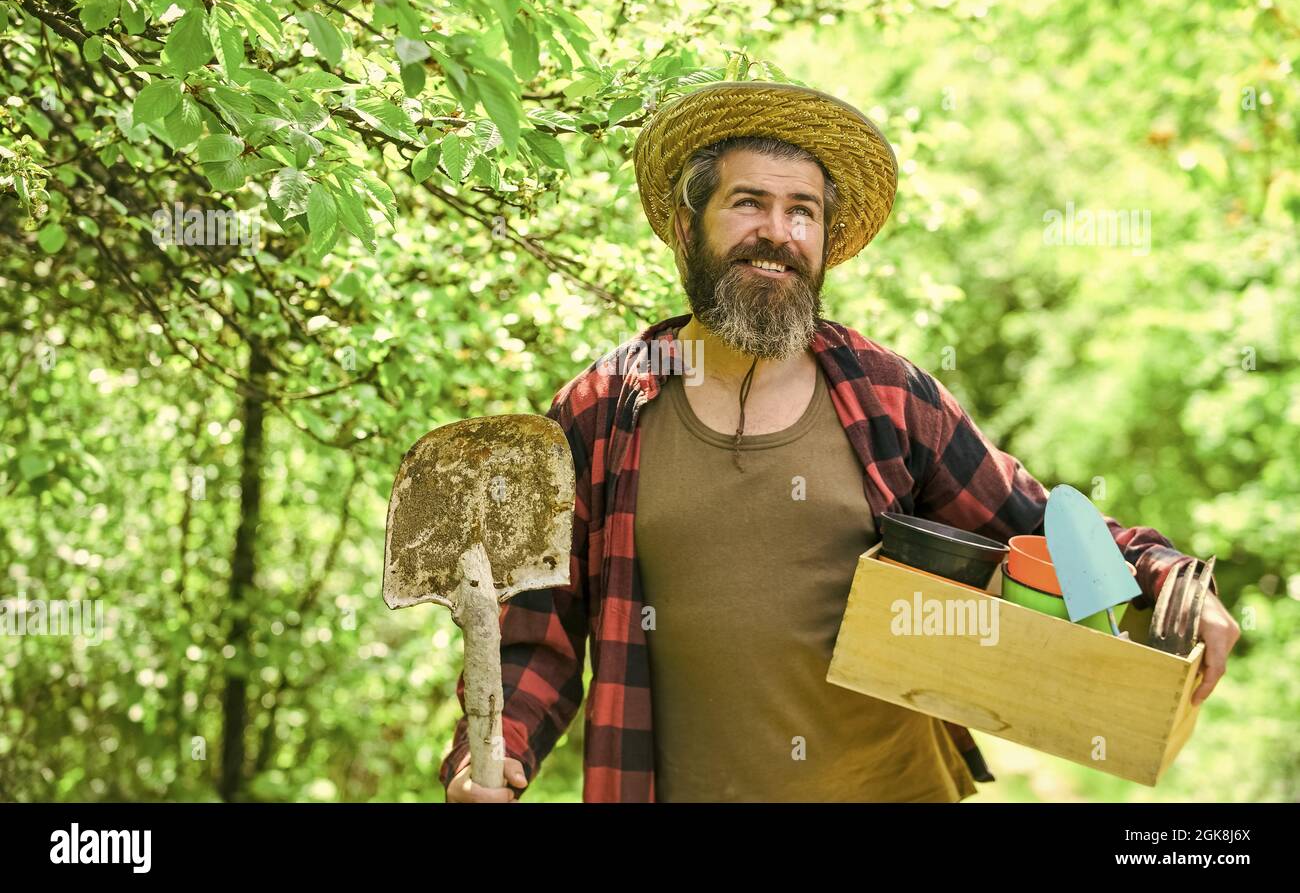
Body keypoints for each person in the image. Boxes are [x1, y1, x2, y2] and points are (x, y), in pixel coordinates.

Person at [443, 81, 1240, 803]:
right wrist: (495, 752)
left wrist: (1169, 576)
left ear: (824, 239)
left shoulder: (887, 392)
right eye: (747, 203)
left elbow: (1040, 530)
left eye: (803, 212)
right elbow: (535, 638)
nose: (777, 233)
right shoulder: (600, 409)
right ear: (688, 229)